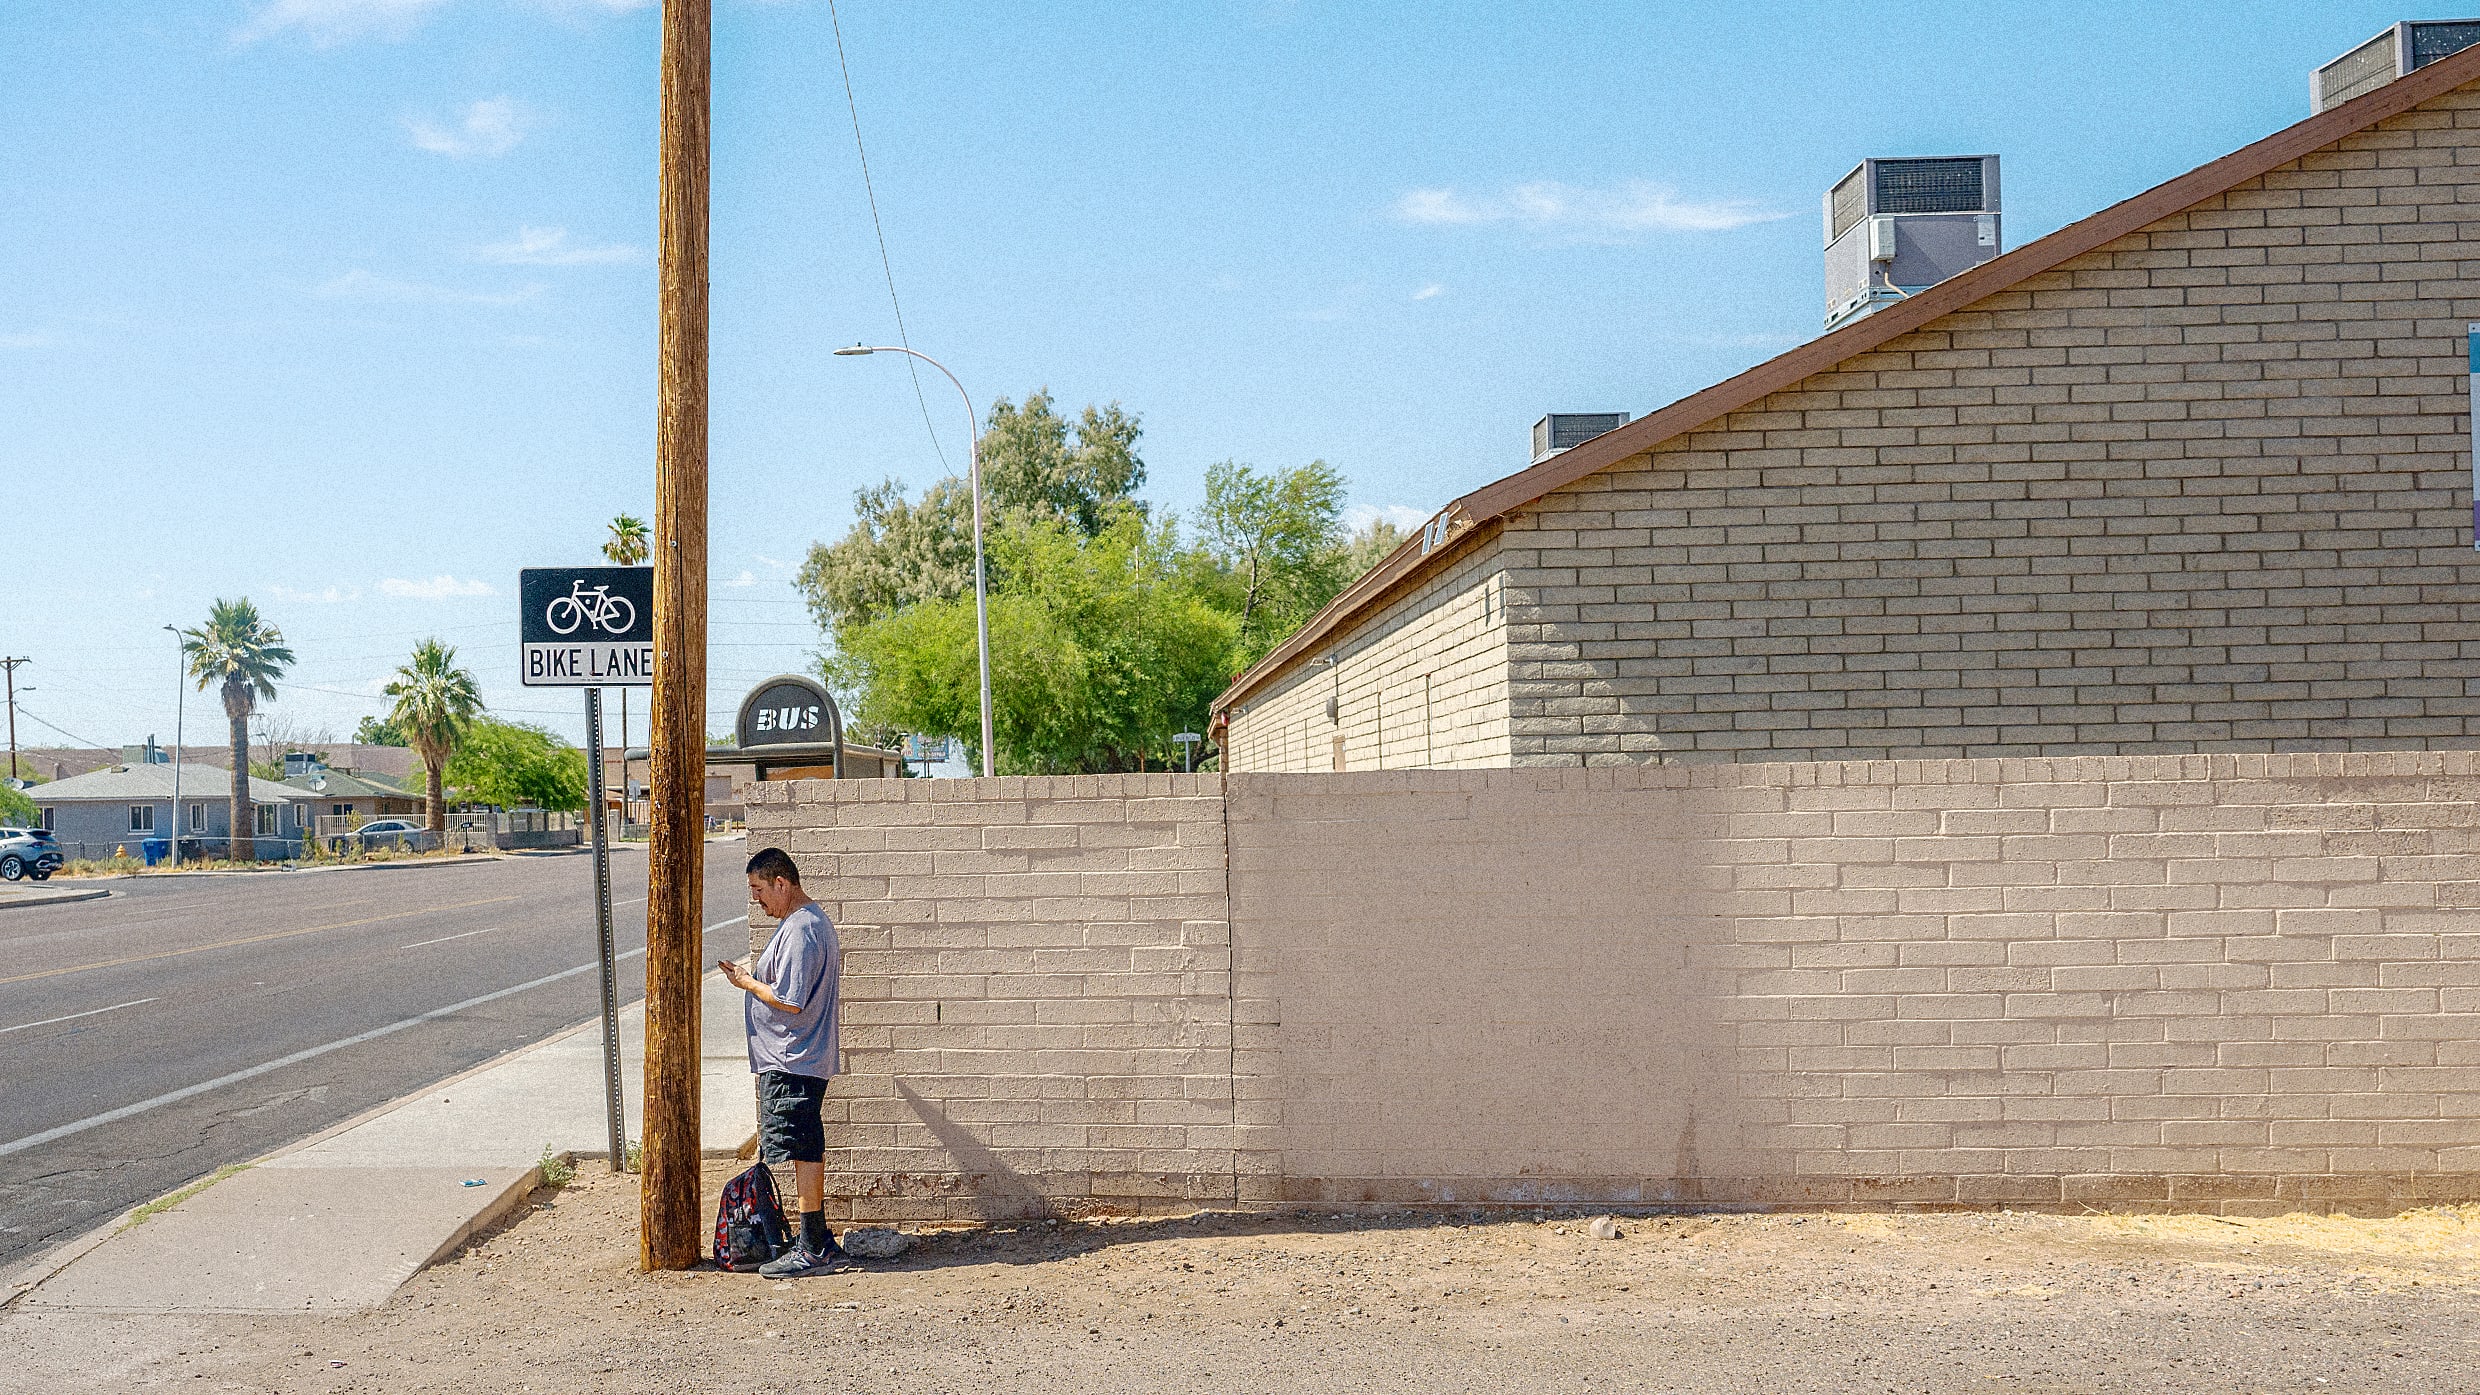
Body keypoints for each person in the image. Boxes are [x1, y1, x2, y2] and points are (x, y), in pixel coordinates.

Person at [720, 846, 844, 1278]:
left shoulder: (802, 929)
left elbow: (789, 1000)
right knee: (803, 1143)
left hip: (796, 1056)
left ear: (781, 882)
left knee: (803, 1145)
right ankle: (818, 1238)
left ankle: (811, 1248)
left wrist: (746, 982)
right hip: (798, 1054)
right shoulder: (805, 924)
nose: (757, 900)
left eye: (759, 889)